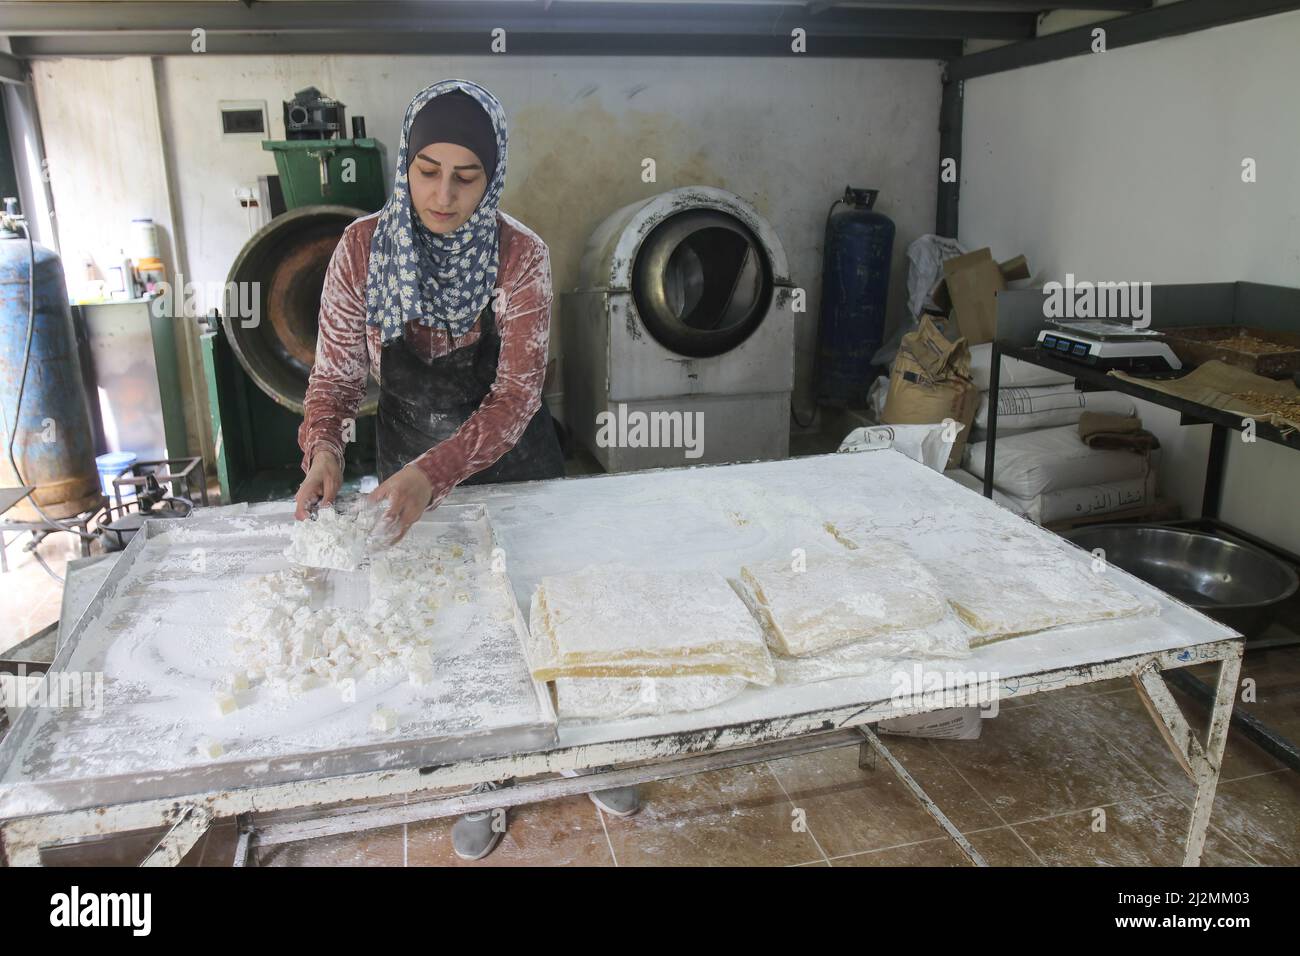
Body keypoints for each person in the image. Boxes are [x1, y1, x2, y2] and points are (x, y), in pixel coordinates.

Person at [294, 79, 638, 862]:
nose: (442, 194)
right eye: (426, 170)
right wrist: (325, 450)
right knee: (455, 636)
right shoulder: (360, 251)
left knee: (545, 614)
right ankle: (488, 779)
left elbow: (519, 396)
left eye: (466, 176)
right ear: (405, 166)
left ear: (493, 177)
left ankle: (586, 747)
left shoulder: (519, 256)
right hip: (404, 469)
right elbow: (337, 378)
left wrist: (433, 473)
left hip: (513, 463)